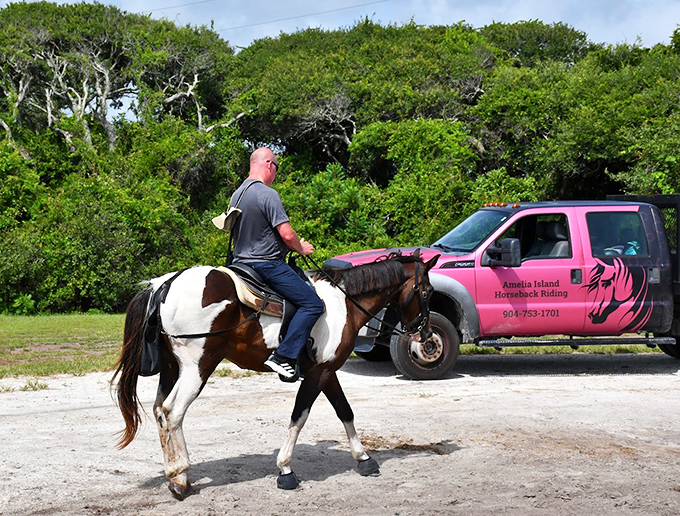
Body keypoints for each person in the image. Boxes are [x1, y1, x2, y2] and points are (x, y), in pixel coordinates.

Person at [230, 147, 325, 380]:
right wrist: (301, 248)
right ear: (270, 164)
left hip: (240, 264)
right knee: (312, 304)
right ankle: (284, 357)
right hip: (267, 265)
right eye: (277, 168)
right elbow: (287, 235)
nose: (275, 174)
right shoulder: (267, 194)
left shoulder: (237, 195)